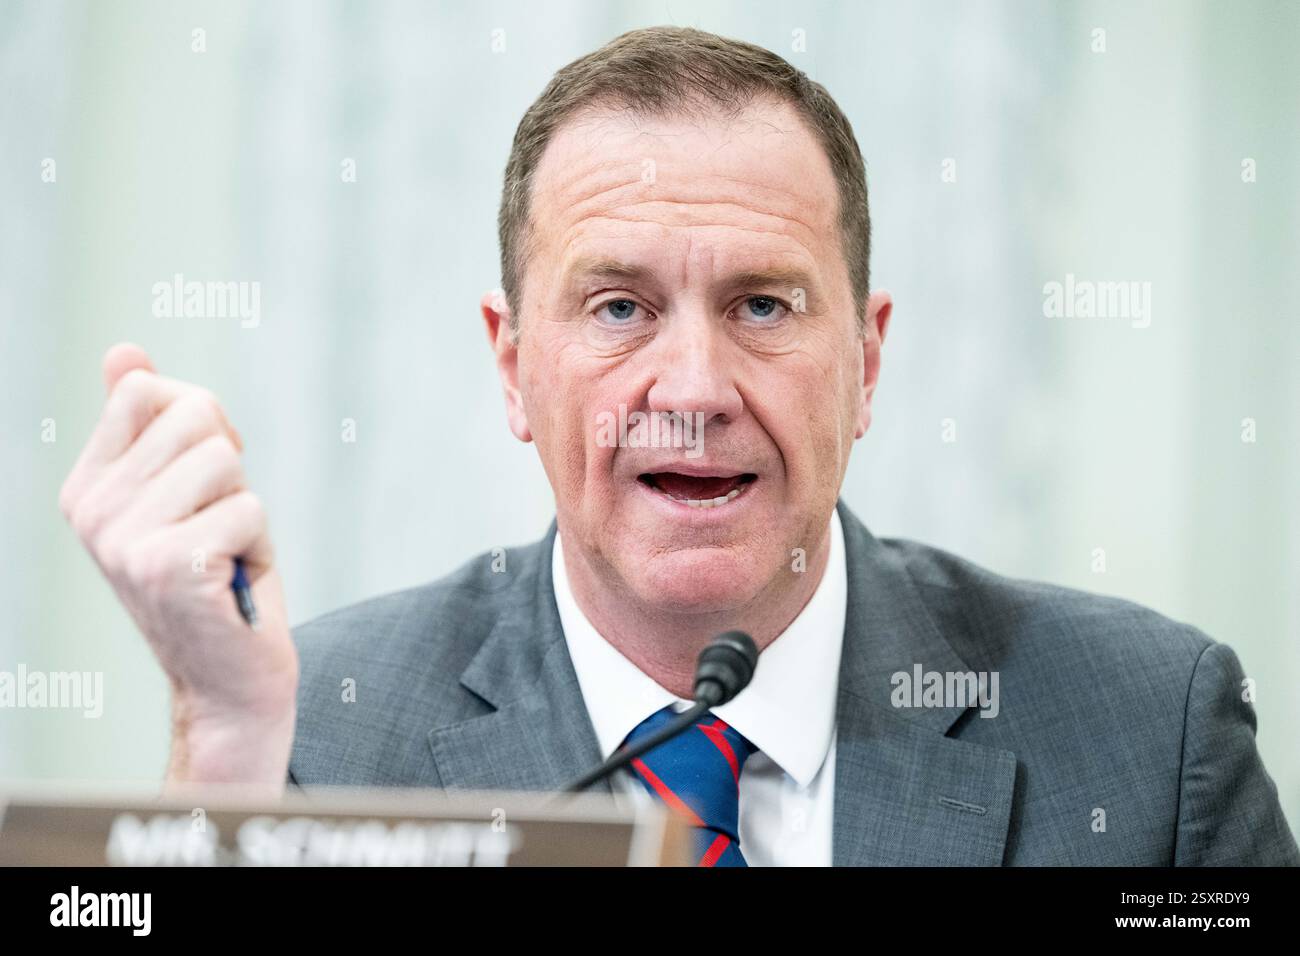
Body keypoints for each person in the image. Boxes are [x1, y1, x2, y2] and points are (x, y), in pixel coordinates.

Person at [59, 26, 1297, 866]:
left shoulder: (1149, 736)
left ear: (866, 361)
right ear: (512, 367)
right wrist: (220, 765)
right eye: (618, 308)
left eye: (764, 303)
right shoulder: (315, 742)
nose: (694, 390)